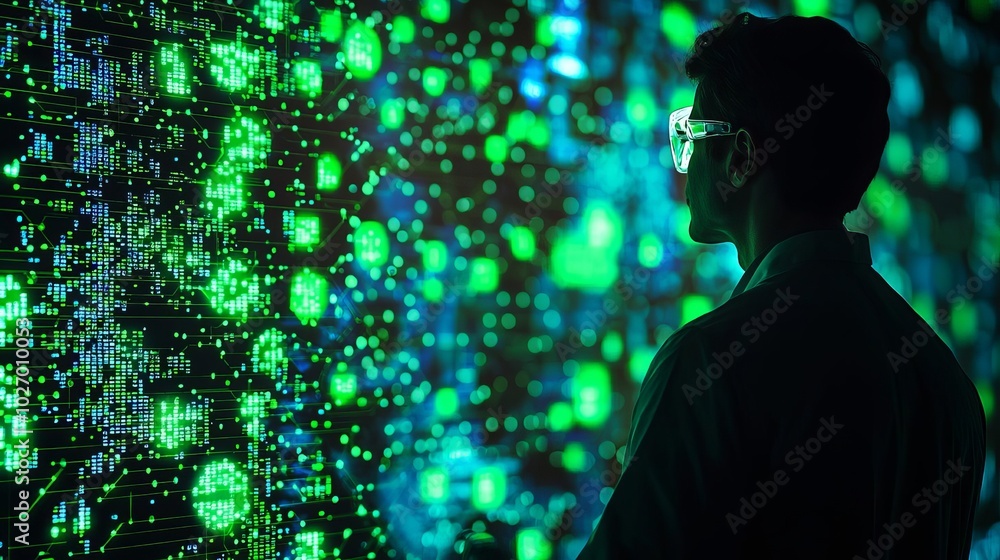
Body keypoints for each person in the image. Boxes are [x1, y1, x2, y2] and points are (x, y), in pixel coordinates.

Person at [575, 12, 986, 559]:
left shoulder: (711, 364)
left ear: (742, 157)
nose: (685, 159)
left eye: (693, 133)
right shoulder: (944, 383)